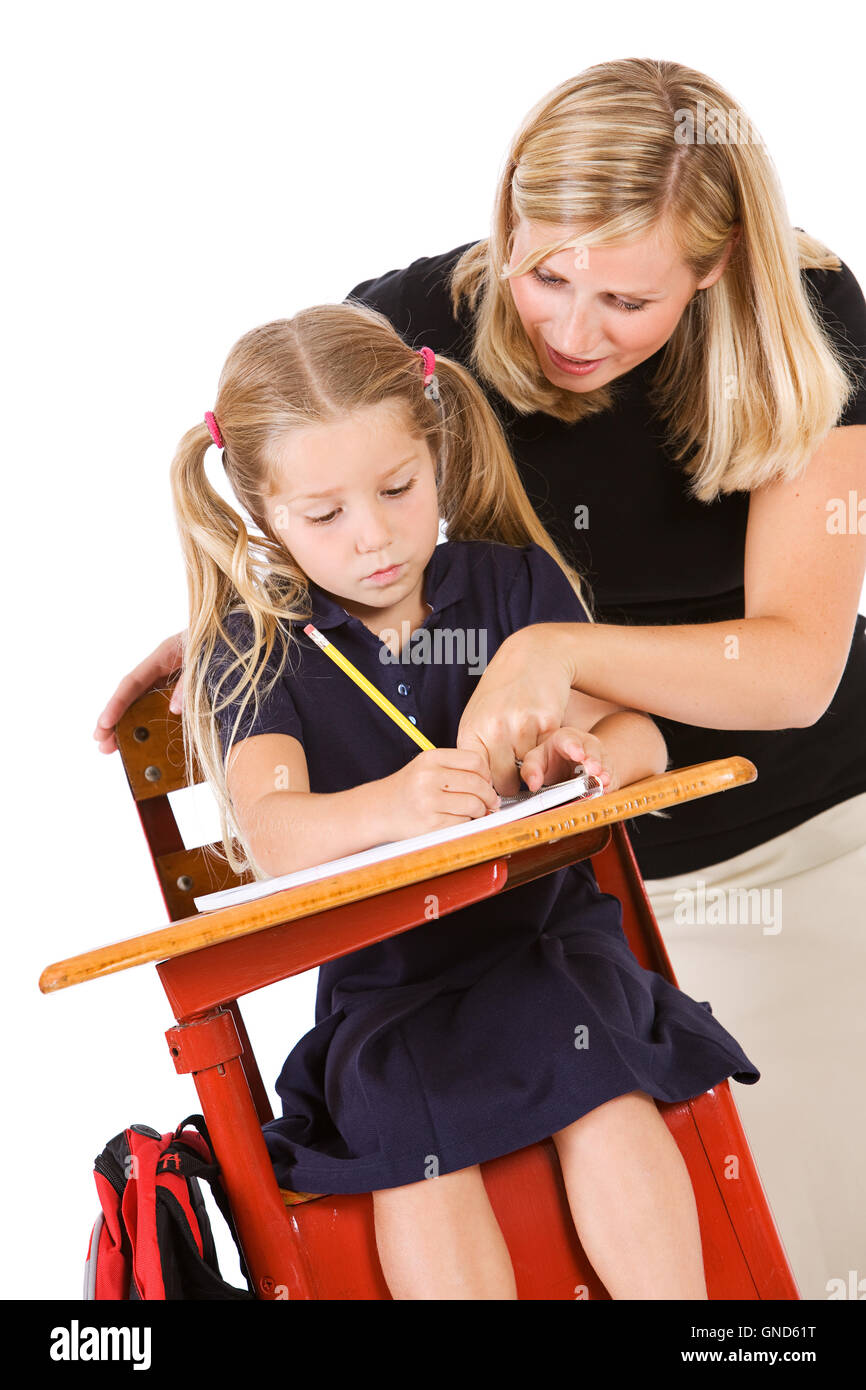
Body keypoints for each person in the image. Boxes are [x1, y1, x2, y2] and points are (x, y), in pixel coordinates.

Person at [94, 60, 865, 1299]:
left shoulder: (798, 318)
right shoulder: (411, 336)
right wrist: (238, 614)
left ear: (713, 268)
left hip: (752, 853)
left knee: (729, 1162)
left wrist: (577, 693)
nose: (568, 329)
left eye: (623, 298)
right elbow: (312, 467)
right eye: (541, 269)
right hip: (475, 940)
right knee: (428, 1134)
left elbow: (784, 673)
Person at [166, 301, 759, 1299]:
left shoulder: (515, 591)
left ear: (434, 453)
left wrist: (591, 756)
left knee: (599, 1084)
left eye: (398, 488)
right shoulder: (258, 650)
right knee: (409, 1144)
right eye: (324, 516)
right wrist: (394, 802)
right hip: (387, 993)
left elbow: (644, 731)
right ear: (264, 515)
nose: (373, 537)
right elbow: (275, 835)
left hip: (546, 947)